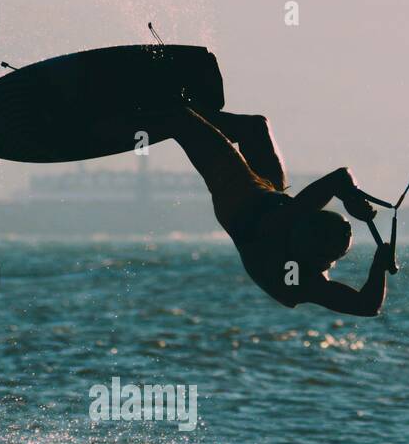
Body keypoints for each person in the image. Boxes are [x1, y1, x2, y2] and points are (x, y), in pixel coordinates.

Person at [144, 107, 395, 316]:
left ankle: (158, 112)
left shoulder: (300, 274)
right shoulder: (307, 266)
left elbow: (339, 177)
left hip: (241, 199)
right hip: (271, 195)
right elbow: (368, 306)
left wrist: (350, 199)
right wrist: (378, 264)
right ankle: (194, 115)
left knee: (180, 119)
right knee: (255, 127)